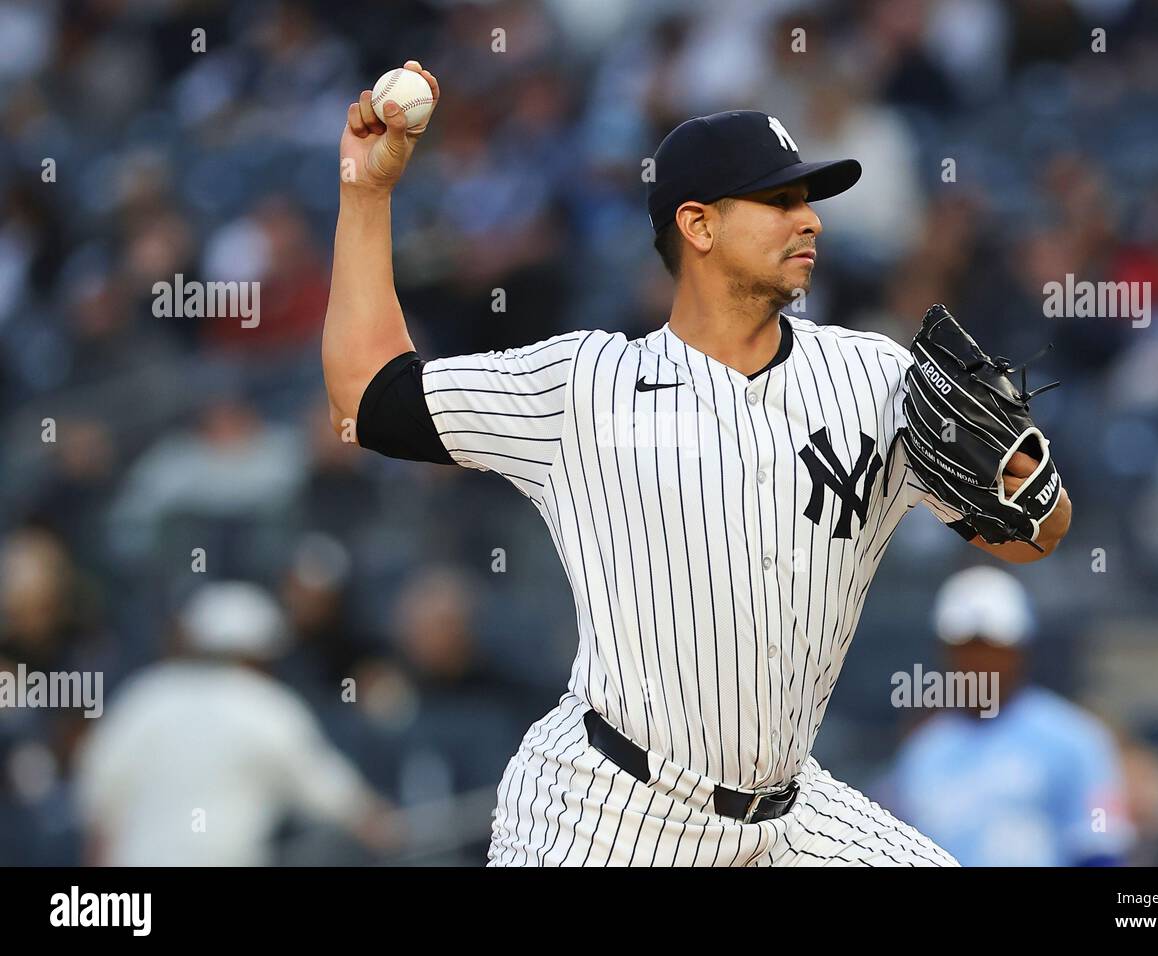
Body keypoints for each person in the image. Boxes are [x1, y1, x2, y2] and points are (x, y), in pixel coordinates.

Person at [322, 61, 1072, 866]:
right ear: (699, 225)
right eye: (780, 200)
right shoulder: (585, 384)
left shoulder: (875, 376)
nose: (810, 220)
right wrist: (367, 197)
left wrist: (1029, 483)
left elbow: (1033, 539)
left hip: (790, 814)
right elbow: (367, 398)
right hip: (607, 811)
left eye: (809, 199)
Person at [74, 581, 399, 865]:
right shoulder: (264, 705)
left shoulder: (147, 695)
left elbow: (95, 799)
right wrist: (393, 829)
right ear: (260, 654)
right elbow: (340, 799)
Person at [891, 566, 1131, 866]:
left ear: (1020, 651)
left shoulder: (1075, 739)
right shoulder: (924, 752)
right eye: (965, 649)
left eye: (991, 649)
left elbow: (1099, 852)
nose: (977, 663)